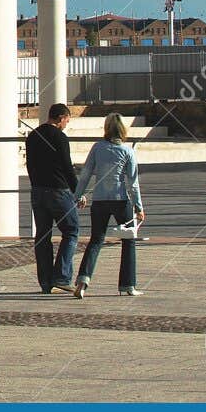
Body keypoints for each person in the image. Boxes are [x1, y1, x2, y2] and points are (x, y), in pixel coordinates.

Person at [72, 113, 146, 298]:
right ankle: (127, 285)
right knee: (128, 241)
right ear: (123, 130)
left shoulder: (97, 147)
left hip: (99, 201)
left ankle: (82, 283)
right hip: (121, 200)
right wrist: (139, 207)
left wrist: (78, 195)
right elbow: (133, 182)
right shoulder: (127, 151)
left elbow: (86, 173)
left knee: (96, 240)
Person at [25, 103, 79, 294]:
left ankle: (46, 282)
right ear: (60, 118)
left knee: (42, 236)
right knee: (71, 230)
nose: (66, 125)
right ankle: (62, 277)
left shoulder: (32, 136)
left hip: (38, 190)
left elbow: (30, 164)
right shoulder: (60, 137)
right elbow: (67, 166)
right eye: (66, 121)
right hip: (58, 190)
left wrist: (35, 185)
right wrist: (77, 191)